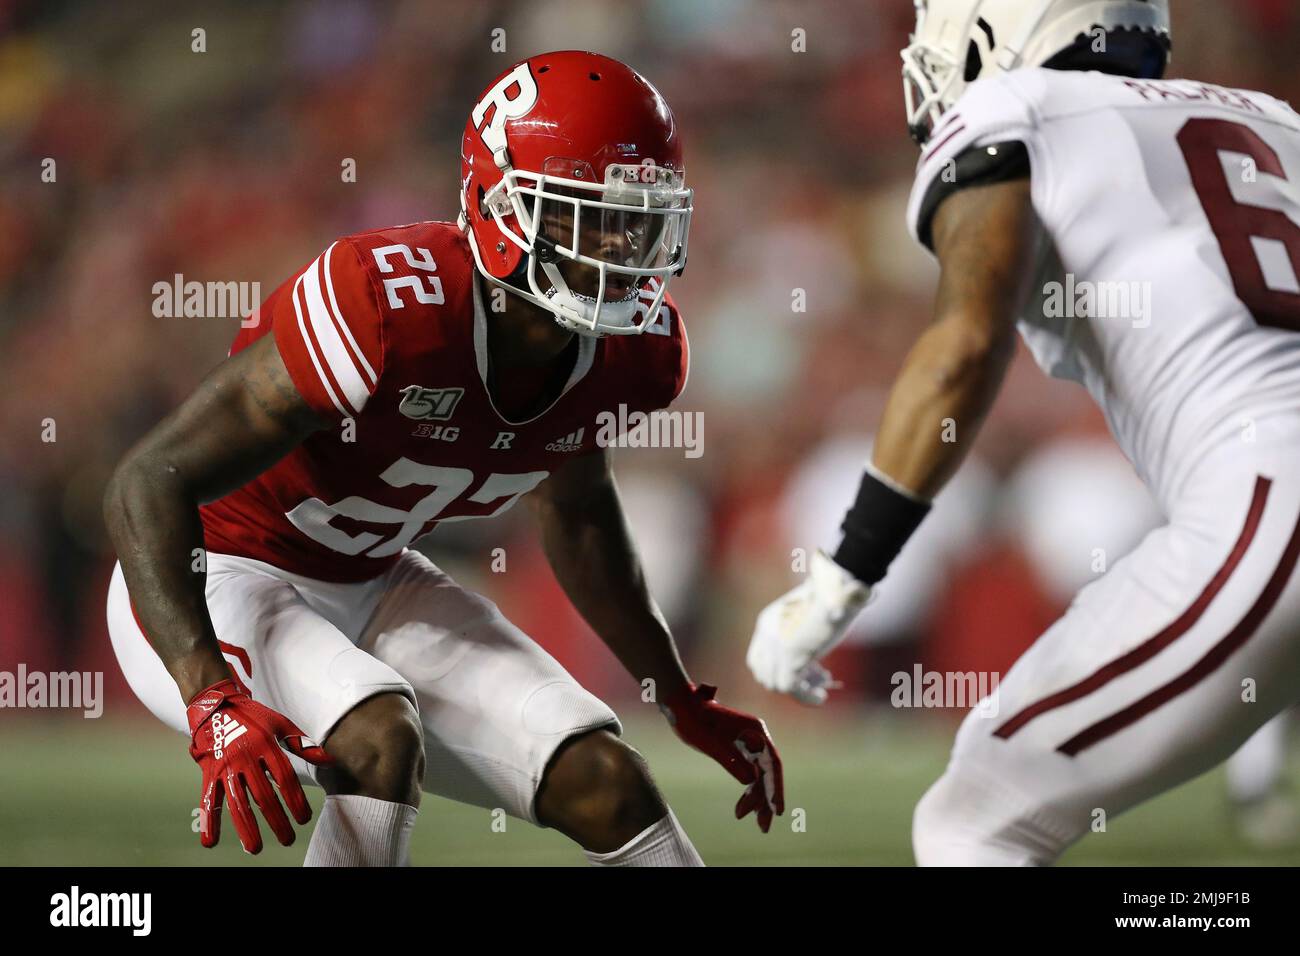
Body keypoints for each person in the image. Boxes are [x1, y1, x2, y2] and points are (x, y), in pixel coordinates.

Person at [105, 50, 781, 867]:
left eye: (636, 214)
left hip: (375, 578)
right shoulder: (386, 305)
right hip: (218, 570)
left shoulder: (633, 355)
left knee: (609, 783)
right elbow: (148, 478)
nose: (621, 243)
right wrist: (210, 694)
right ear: (500, 205)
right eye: (586, 213)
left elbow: (577, 509)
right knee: (379, 735)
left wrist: (675, 695)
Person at [748, 0, 1300, 864]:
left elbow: (966, 347)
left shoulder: (1016, 108)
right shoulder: (1273, 119)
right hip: (1262, 490)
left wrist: (841, 580)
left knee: (979, 819)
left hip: (1269, 495)